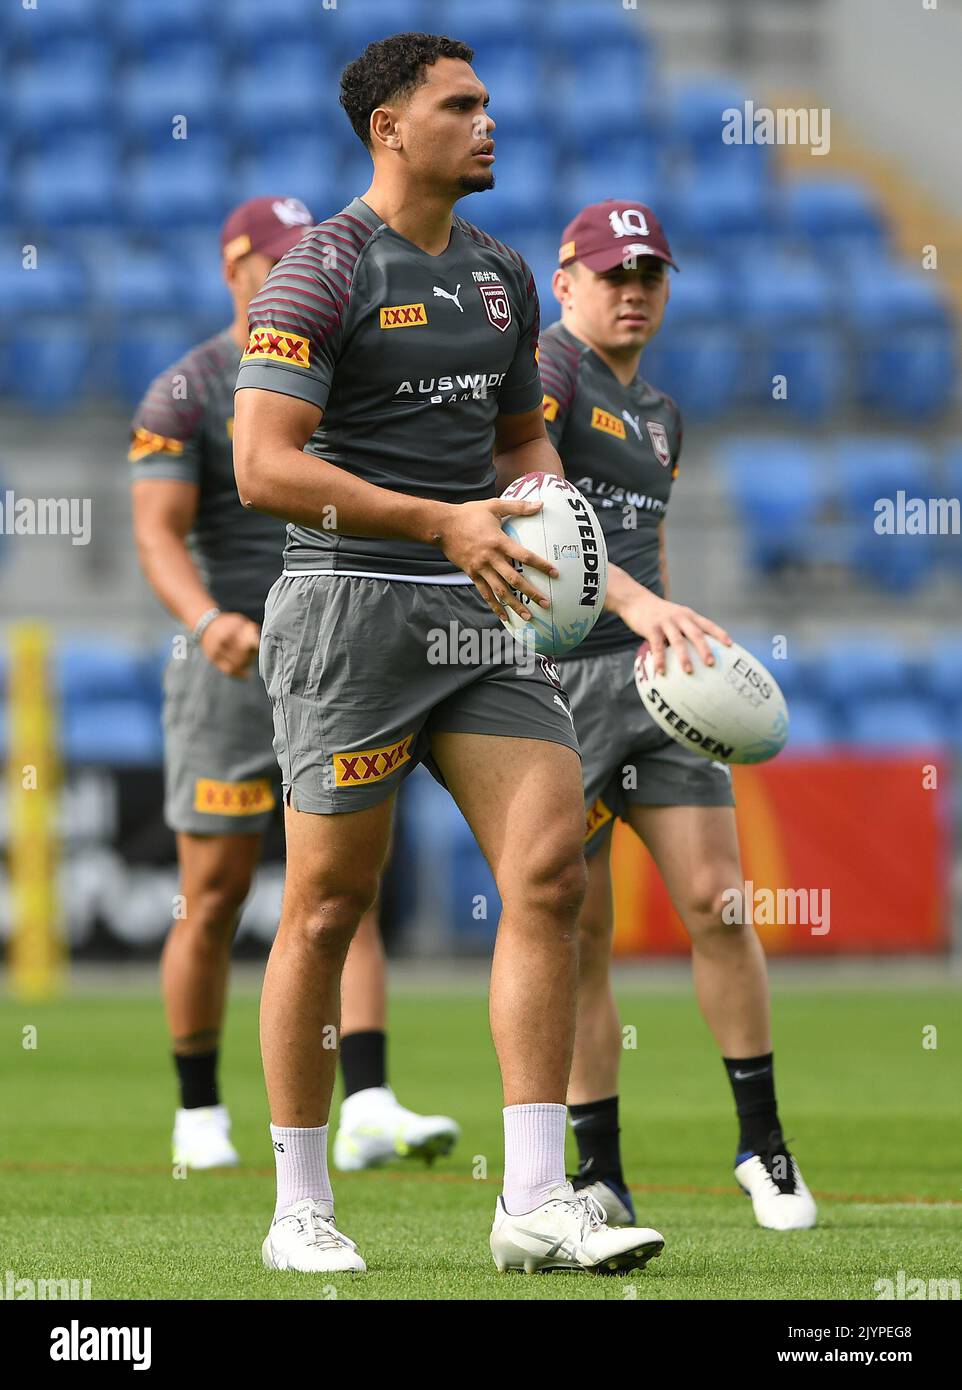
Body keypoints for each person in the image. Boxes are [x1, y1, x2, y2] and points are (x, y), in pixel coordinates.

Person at [233, 33, 711, 1276]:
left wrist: (551, 524)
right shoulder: (318, 272)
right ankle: (297, 1204)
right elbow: (263, 468)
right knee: (330, 905)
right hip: (349, 613)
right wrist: (436, 518)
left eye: (489, 101)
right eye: (460, 105)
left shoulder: (503, 276)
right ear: (389, 129)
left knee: (549, 875)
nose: (487, 122)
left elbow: (518, 450)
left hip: (481, 608)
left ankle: (535, 1198)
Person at [129, 194, 458, 1173]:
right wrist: (206, 622)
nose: (286, 270)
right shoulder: (185, 391)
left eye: (297, 255)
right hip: (232, 661)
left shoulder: (345, 367)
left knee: (338, 879)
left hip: (337, 648)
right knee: (215, 890)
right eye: (270, 258)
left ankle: (366, 1102)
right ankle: (197, 1108)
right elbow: (156, 531)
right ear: (233, 268)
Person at [538, 199, 817, 1231]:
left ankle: (762, 1145)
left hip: (657, 681)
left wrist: (681, 635)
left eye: (648, 273)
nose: (631, 290)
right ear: (563, 280)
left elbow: (643, 542)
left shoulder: (660, 411)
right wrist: (636, 605)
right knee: (575, 931)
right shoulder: (548, 374)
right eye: (611, 273)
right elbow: (536, 517)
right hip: (561, 683)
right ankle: (596, 1172)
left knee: (717, 903)